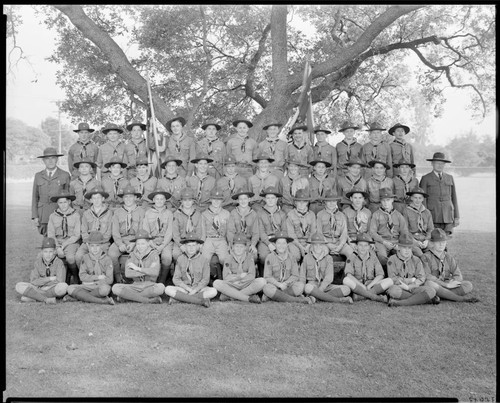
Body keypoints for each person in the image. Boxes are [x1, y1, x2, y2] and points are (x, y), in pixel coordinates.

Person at [421, 229, 479, 303]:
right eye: (438, 242)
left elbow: (458, 274)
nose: (441, 244)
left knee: (468, 285)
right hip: (437, 285)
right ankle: (458, 298)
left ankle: (441, 295)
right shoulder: (425, 257)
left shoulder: (448, 257)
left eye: (443, 242)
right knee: (429, 283)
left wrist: (453, 281)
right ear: (432, 243)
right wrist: (446, 285)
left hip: (446, 285)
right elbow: (427, 276)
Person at [164, 232, 217, 307]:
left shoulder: (204, 259)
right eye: (189, 245)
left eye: (193, 245)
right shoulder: (180, 259)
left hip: (198, 289)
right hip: (184, 289)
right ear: (185, 246)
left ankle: (179, 299)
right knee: (167, 289)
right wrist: (188, 289)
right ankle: (200, 301)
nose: (191, 248)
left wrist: (195, 290)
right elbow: (176, 279)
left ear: (198, 246)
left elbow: (205, 280)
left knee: (213, 291)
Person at [111, 230, 165, 304]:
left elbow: (155, 272)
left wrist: (137, 269)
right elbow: (128, 274)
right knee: (115, 288)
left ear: (148, 243)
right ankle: (148, 300)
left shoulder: (154, 254)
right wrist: (147, 271)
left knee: (160, 288)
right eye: (138, 244)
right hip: (135, 285)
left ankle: (128, 297)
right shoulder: (132, 255)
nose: (140, 247)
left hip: (149, 285)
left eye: (143, 244)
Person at [386, 233, 438, 307]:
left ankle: (400, 303)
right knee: (393, 291)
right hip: (400, 287)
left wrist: (409, 286)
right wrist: (409, 281)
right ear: (399, 247)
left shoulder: (416, 260)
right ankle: (424, 299)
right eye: (404, 247)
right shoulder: (392, 259)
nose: (407, 250)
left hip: (414, 287)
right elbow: (393, 278)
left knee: (432, 291)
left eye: (409, 248)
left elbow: (421, 278)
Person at [257, 186, 301, 274]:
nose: (270, 200)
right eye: (268, 198)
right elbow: (261, 232)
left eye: (273, 198)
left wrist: (280, 244)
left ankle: (289, 274)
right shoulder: (260, 214)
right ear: (265, 199)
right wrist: (269, 244)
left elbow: (285, 231)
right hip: (266, 240)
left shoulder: (282, 214)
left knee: (295, 254)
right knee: (263, 256)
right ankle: (266, 275)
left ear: (277, 199)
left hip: (280, 239)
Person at [261, 231, 314, 303]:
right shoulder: (270, 257)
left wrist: (285, 284)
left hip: (288, 286)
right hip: (275, 285)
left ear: (287, 245)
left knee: (300, 286)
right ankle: (298, 300)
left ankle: (273, 297)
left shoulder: (292, 257)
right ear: (275, 244)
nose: (281, 246)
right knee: (266, 288)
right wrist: (279, 284)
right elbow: (267, 277)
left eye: (283, 243)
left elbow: (295, 275)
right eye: (278, 243)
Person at [108, 185, 146, 283]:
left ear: (135, 198)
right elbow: (115, 231)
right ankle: (118, 278)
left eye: (131, 196)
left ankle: (137, 280)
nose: (128, 199)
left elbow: (142, 230)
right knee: (111, 254)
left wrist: (135, 243)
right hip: (121, 239)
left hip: (137, 240)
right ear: (123, 198)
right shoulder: (117, 212)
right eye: (126, 197)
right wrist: (120, 244)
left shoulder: (142, 211)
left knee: (140, 253)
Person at [213, 233, 266, 303]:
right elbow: (226, 277)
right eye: (237, 246)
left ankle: (231, 296)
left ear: (245, 248)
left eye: (241, 247)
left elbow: (252, 276)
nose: (239, 249)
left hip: (246, 284)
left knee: (262, 281)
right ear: (233, 247)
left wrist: (234, 277)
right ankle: (248, 298)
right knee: (216, 283)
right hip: (233, 284)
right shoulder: (228, 258)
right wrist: (239, 277)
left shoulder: (249, 257)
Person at [65, 231, 115, 305]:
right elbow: (82, 276)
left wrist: (93, 281)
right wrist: (98, 277)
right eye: (92, 246)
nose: (95, 249)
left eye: (97, 245)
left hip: (101, 286)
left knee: (104, 290)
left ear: (102, 245)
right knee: (69, 288)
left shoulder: (107, 259)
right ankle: (102, 301)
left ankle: (77, 297)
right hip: (88, 286)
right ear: (88, 246)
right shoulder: (85, 258)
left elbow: (109, 280)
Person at [302, 232, 353, 303]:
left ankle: (316, 298)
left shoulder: (328, 258)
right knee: (307, 287)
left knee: (346, 289)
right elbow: (302, 277)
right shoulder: (306, 258)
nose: (318, 247)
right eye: (315, 245)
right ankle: (339, 300)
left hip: (326, 285)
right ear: (311, 245)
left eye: (320, 245)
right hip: (313, 285)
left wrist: (320, 290)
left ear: (323, 245)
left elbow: (329, 277)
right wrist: (302, 290)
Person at [15, 237, 68, 303]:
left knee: (63, 287)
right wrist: (50, 279)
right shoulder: (38, 262)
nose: (48, 255)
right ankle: (45, 299)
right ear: (42, 252)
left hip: (51, 288)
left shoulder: (59, 262)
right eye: (45, 252)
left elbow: (60, 281)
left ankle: (35, 297)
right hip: (38, 288)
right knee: (19, 286)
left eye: (50, 252)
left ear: (54, 251)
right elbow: (33, 281)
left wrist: (41, 282)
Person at [32, 147, 71, 236]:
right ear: (43, 160)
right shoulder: (38, 176)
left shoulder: (65, 175)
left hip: (59, 212)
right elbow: (35, 197)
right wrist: (35, 216)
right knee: (47, 242)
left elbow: (69, 197)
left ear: (57, 159)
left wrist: (68, 214)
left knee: (60, 238)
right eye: (47, 159)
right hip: (43, 214)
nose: (50, 161)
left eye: (53, 158)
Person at [342, 233, 391, 303]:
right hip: (358, 285)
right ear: (356, 246)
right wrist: (362, 286)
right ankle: (376, 297)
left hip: (371, 284)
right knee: (346, 280)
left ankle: (360, 296)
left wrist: (369, 285)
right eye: (360, 245)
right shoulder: (352, 257)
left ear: (369, 247)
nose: (363, 248)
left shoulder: (373, 257)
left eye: (365, 245)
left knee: (389, 281)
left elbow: (380, 275)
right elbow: (349, 275)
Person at [419, 152, 459, 235]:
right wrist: (425, 216)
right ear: (432, 164)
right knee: (434, 239)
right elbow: (422, 199)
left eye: (442, 164)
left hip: (448, 215)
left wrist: (456, 216)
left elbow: (454, 197)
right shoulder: (426, 178)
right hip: (433, 215)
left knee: (445, 240)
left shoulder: (449, 177)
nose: (440, 165)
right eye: (437, 163)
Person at [369, 187, 409, 268]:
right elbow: (372, 232)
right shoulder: (376, 214)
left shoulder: (398, 215)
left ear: (392, 200)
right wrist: (384, 242)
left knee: (405, 255)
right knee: (382, 256)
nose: (385, 203)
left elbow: (404, 231)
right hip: (382, 242)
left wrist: (400, 244)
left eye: (388, 200)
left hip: (396, 241)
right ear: (380, 201)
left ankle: (399, 272)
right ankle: (388, 273)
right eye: (383, 200)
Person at [47, 193, 81, 285]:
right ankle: (53, 279)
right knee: (47, 256)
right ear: (57, 203)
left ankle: (75, 275)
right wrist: (57, 247)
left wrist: (63, 246)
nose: (63, 205)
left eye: (65, 202)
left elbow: (77, 235)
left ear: (69, 202)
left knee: (70, 258)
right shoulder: (53, 216)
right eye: (60, 202)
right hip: (57, 242)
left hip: (71, 242)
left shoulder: (76, 215)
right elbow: (51, 234)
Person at [75, 186, 113, 268]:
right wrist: (89, 243)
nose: (96, 200)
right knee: (78, 256)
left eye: (98, 198)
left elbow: (108, 232)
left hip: (103, 243)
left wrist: (99, 244)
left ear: (103, 199)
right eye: (94, 198)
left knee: (103, 257)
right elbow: (84, 231)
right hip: (88, 242)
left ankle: (103, 275)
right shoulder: (86, 213)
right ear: (91, 200)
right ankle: (83, 274)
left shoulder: (109, 213)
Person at [143, 189, 173, 286]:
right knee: (149, 256)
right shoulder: (148, 213)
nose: (159, 201)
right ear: (153, 200)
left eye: (162, 199)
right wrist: (152, 244)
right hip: (151, 241)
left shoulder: (169, 213)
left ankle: (162, 281)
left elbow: (169, 232)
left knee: (167, 258)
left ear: (165, 201)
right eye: (157, 199)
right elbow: (146, 230)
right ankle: (150, 282)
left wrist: (163, 245)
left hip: (165, 241)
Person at [200, 187, 231, 282]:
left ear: (222, 200)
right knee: (204, 259)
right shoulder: (205, 214)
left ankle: (227, 281)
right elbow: (203, 231)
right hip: (209, 239)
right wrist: (202, 243)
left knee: (225, 259)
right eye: (214, 199)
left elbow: (229, 230)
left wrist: (230, 243)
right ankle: (204, 281)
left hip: (221, 239)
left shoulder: (226, 214)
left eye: (219, 199)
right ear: (210, 200)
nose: (216, 202)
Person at [316, 190, 353, 259]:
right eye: (329, 201)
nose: (331, 203)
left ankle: (348, 269)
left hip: (339, 242)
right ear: (325, 202)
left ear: (336, 202)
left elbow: (344, 233)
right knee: (320, 253)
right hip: (325, 243)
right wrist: (328, 244)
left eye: (333, 201)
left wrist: (340, 246)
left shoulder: (342, 215)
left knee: (351, 253)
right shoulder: (320, 215)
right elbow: (319, 233)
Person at [227, 187, 260, 261]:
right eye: (240, 199)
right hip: (236, 242)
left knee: (253, 256)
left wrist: (253, 245)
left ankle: (251, 271)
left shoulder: (253, 214)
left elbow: (256, 233)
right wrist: (231, 244)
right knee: (232, 256)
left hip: (247, 242)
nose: (243, 201)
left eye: (245, 199)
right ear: (238, 201)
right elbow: (230, 231)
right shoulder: (233, 213)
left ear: (249, 199)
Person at [172, 188, 203, 265]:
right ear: (181, 202)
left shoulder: (197, 213)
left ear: (193, 201)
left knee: (199, 254)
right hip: (181, 240)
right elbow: (175, 233)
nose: (187, 203)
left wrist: (197, 244)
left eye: (189, 200)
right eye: (185, 200)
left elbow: (199, 230)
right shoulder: (176, 214)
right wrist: (181, 245)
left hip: (194, 241)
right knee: (176, 254)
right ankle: (178, 272)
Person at [285, 188, 317, 261]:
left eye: (304, 201)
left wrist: (308, 246)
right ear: (295, 202)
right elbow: (291, 235)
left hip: (309, 242)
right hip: (295, 242)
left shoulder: (312, 215)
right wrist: (300, 247)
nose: (302, 204)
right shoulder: (290, 215)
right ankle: (295, 271)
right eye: (299, 201)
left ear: (307, 202)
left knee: (314, 253)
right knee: (295, 255)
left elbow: (313, 232)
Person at [402, 187, 434, 257]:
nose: (417, 200)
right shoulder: (406, 211)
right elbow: (405, 230)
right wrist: (414, 241)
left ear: (423, 199)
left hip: (425, 239)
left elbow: (430, 229)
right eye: (415, 198)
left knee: (434, 251)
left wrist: (427, 240)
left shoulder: (427, 212)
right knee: (419, 254)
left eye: (420, 198)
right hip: (412, 239)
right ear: (411, 198)